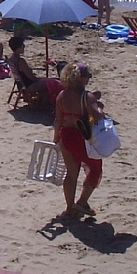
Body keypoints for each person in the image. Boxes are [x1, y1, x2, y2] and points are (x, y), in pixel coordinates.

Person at [54, 62, 105, 218]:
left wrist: (56, 136)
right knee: (95, 170)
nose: (89, 78)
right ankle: (82, 202)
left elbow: (58, 119)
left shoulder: (62, 95)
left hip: (66, 135)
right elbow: (97, 116)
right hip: (82, 137)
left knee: (71, 174)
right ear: (80, 78)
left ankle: (70, 207)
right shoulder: (86, 96)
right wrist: (100, 107)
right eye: (88, 75)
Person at [7, 35, 62, 106]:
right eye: (22, 45)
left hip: (22, 85)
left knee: (50, 81)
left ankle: (44, 100)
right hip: (29, 86)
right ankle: (47, 103)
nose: (24, 46)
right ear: (18, 47)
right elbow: (31, 77)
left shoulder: (11, 59)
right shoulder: (20, 61)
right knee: (54, 82)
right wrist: (40, 80)